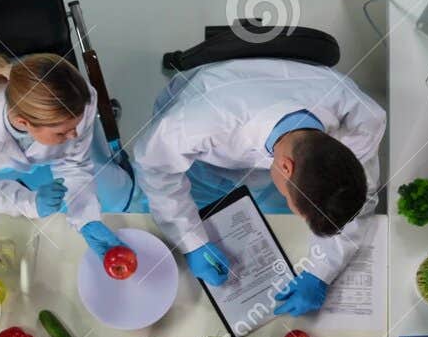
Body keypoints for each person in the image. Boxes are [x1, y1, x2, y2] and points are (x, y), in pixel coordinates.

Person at [130, 58, 386, 316]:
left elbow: (355, 197)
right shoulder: (199, 122)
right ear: (285, 167)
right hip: (205, 138)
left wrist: (322, 272)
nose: (289, 202)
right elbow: (154, 165)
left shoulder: (358, 119)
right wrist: (190, 240)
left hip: (264, 135)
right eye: (289, 199)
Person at [0, 52, 131, 256]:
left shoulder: (83, 100)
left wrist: (86, 218)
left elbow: (74, 165)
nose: (74, 135)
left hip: (32, 114)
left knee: (113, 191)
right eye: (62, 132)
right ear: (23, 123)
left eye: (75, 126)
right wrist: (29, 203)